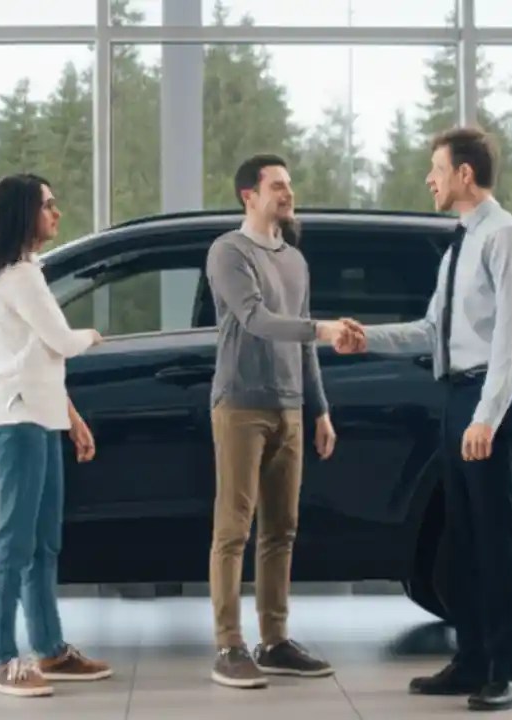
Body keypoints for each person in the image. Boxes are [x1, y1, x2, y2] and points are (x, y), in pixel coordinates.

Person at [335, 127, 512, 712]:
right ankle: (474, 659)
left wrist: (487, 416)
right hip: (456, 398)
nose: (430, 178)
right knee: (462, 539)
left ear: (465, 175)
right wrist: (364, 339)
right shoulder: (460, 245)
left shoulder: (508, 238)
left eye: (436, 167)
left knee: (498, 539)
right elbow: (432, 332)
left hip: (487, 401)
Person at [204, 153, 362, 689]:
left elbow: (303, 344)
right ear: (249, 194)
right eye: (277, 185)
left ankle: (274, 641)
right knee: (234, 528)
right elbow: (259, 319)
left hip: (291, 407)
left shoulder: (296, 260)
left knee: (282, 529)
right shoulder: (228, 252)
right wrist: (322, 329)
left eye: (289, 184)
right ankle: (229, 645)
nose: (287, 193)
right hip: (241, 404)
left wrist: (320, 409)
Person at [0, 173, 113, 698]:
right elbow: (62, 341)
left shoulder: (26, 274)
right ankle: (2, 659)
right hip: (16, 421)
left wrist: (71, 418)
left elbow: (40, 357)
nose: (57, 212)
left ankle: (50, 650)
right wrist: (91, 336)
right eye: (48, 205)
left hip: (40, 415)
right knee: (14, 542)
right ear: (22, 215)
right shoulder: (17, 279)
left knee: (43, 544)